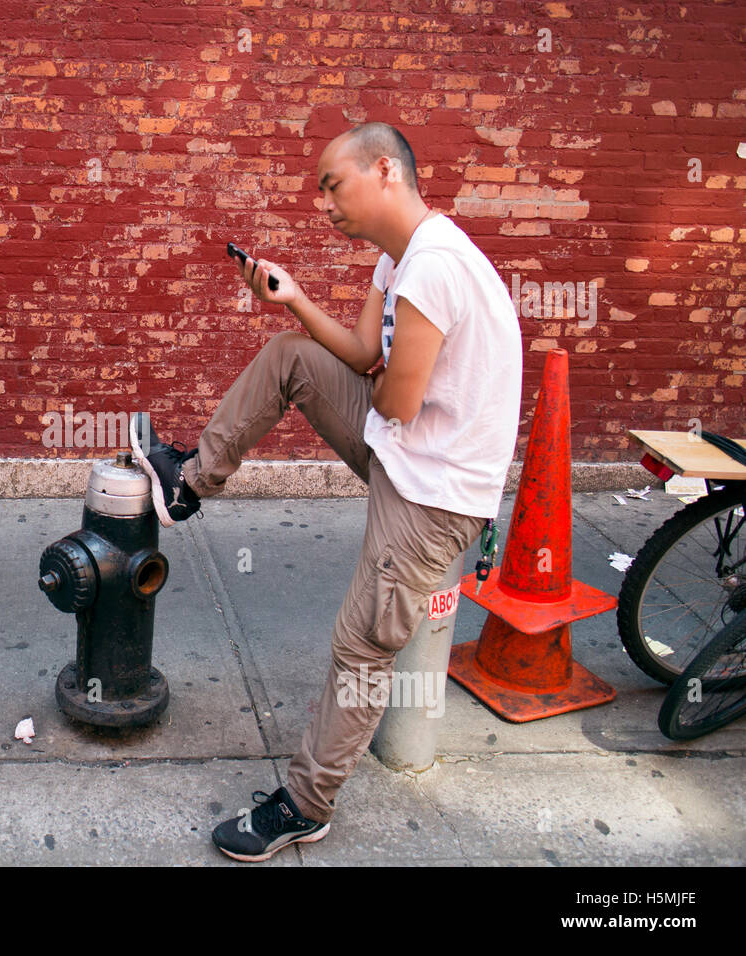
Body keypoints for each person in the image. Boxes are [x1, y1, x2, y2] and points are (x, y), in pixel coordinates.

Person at [130, 122, 523, 861]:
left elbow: (396, 402)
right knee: (294, 355)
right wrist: (296, 299)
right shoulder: (397, 258)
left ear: (385, 171)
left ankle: (307, 805)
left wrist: (375, 380)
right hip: (403, 451)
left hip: (434, 495)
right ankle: (187, 484)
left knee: (361, 647)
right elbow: (364, 358)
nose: (323, 203)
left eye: (331, 184)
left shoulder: (435, 266)